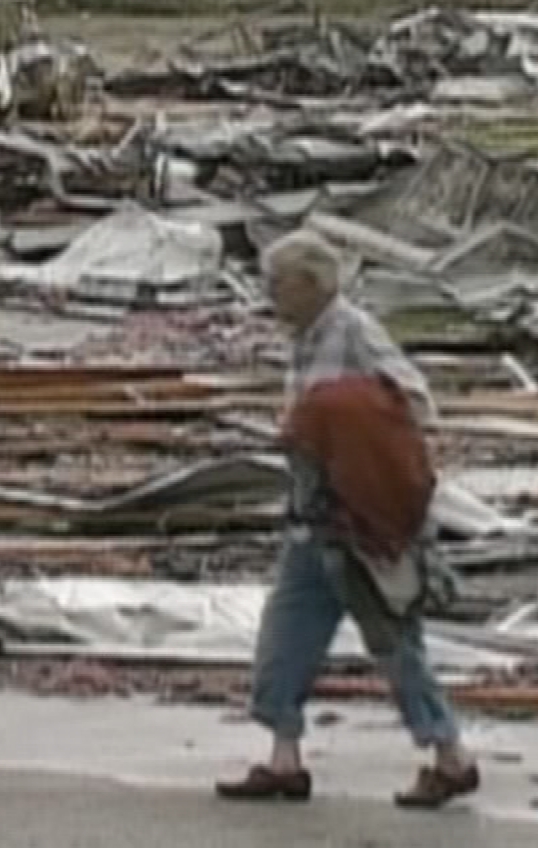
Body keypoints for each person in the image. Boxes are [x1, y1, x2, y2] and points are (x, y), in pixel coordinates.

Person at [215, 230, 480, 810]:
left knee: (395, 646)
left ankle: (450, 757)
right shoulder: (305, 339)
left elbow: (414, 398)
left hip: (360, 526)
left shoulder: (354, 331)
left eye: (277, 283)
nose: (268, 295)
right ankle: (285, 760)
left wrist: (348, 413)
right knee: (285, 639)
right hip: (311, 520)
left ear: (313, 283)